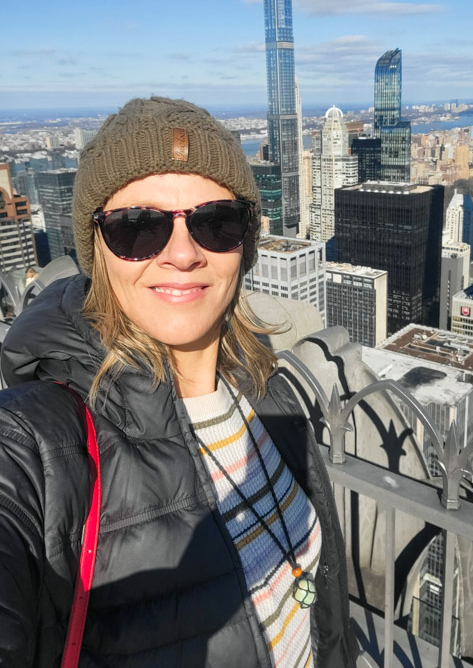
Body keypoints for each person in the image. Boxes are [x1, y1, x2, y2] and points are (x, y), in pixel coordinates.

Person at [0, 97, 357, 667]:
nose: (184, 254)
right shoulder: (36, 444)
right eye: (137, 227)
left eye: (216, 222)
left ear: (245, 243)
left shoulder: (270, 394)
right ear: (98, 249)